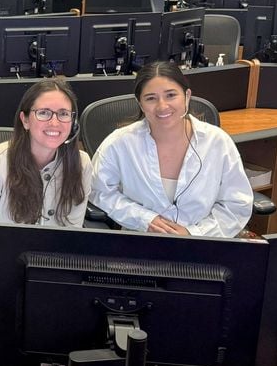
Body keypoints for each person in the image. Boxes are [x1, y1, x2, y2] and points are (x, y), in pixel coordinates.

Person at [90, 61, 253, 237]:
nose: (162, 106)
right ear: (140, 104)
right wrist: (144, 219)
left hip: (204, 245)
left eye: (171, 95)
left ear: (187, 96)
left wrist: (194, 233)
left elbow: (237, 204)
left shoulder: (217, 142)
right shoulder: (120, 144)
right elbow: (99, 192)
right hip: (140, 243)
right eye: (151, 98)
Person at [0, 78, 93, 227]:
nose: (54, 123)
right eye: (44, 113)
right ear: (25, 120)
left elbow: (73, 232)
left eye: (63, 114)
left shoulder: (81, 163)